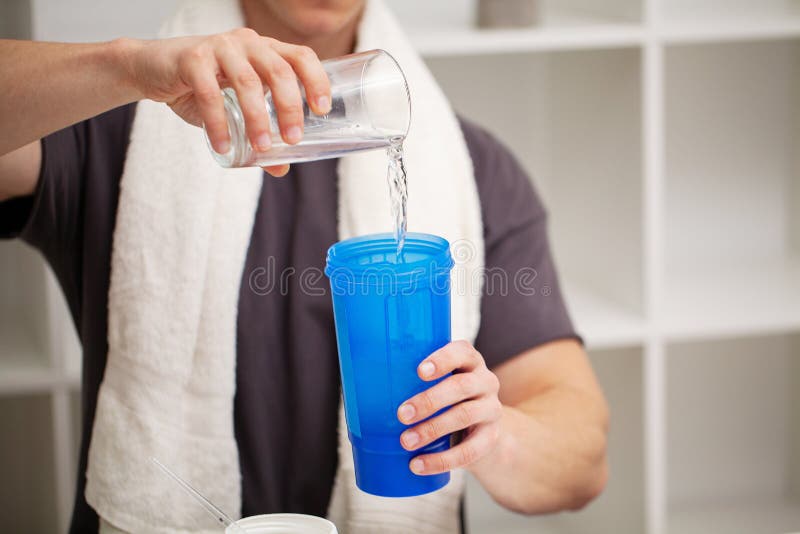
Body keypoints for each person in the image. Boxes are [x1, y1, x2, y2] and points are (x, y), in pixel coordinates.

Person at [0, 0, 609, 532]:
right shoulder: (118, 129)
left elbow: (584, 458)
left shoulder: (471, 170)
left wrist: (491, 433)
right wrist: (128, 67)